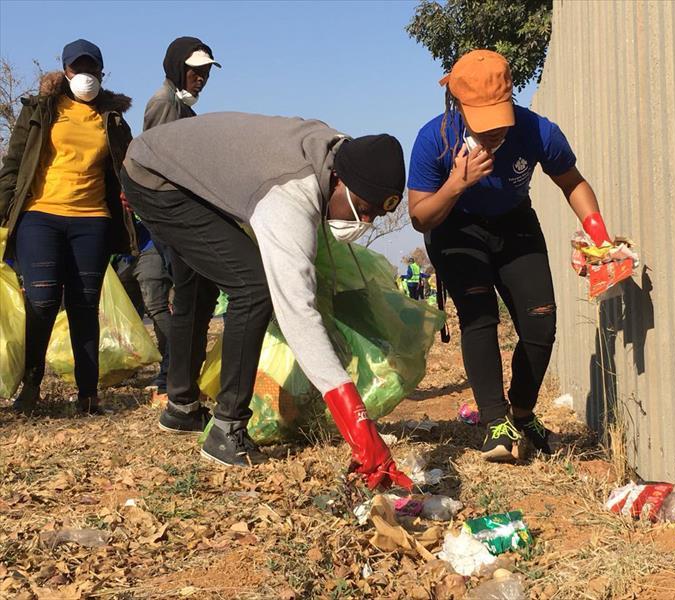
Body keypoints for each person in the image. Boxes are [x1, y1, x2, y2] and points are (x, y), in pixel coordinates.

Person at [119, 112, 412, 490]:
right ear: (339, 180)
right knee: (252, 287)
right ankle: (227, 428)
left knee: (207, 279)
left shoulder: (337, 152)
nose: (365, 221)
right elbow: (298, 314)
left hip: (176, 167)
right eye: (364, 209)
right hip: (156, 176)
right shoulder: (288, 196)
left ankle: (181, 408)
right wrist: (358, 425)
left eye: (375, 215)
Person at [408, 50, 619, 462]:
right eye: (483, 124)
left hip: (514, 222)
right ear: (458, 106)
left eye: (499, 121)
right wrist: (456, 183)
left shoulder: (536, 131)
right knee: (479, 315)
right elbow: (420, 217)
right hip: (454, 225)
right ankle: (494, 422)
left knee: (542, 319)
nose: (495, 135)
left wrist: (600, 237)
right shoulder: (433, 139)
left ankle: (521, 412)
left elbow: (572, 182)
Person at [0, 39, 135, 415]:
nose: (84, 76)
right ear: (65, 72)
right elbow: (13, 166)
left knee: (84, 306)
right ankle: (31, 384)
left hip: (92, 220)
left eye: (91, 68)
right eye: (77, 69)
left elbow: (127, 169)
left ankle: (88, 396)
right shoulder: (40, 109)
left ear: (101, 73)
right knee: (41, 302)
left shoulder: (113, 118)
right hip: (39, 215)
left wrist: (134, 197)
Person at [134, 36, 223, 398]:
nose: (200, 78)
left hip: (179, 216)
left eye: (204, 72)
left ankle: (179, 381)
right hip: (173, 218)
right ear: (176, 68)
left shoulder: (184, 109)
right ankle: (173, 382)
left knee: (196, 298)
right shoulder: (164, 104)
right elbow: (159, 163)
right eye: (193, 70)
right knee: (188, 299)